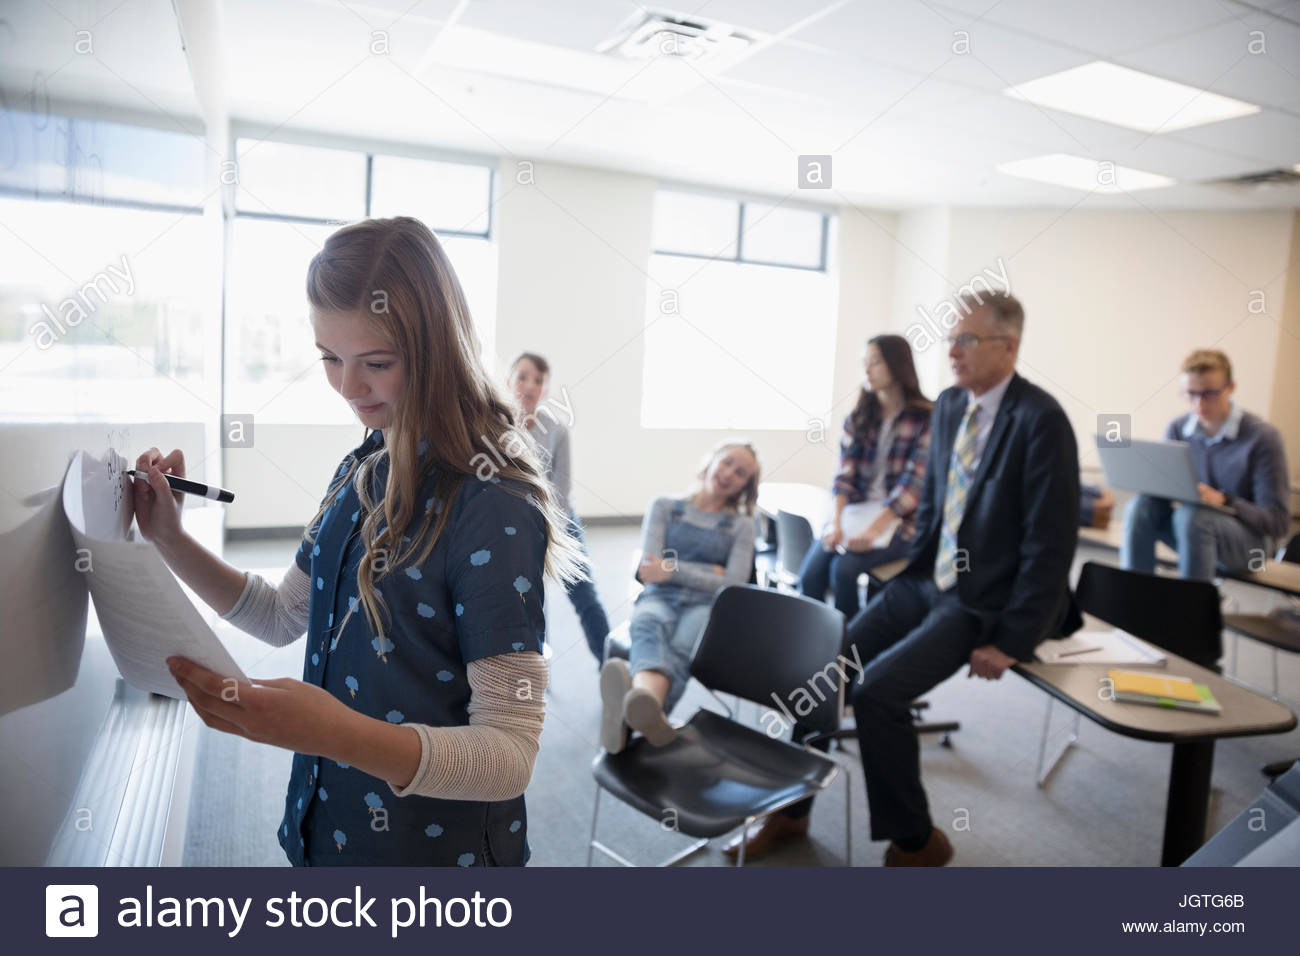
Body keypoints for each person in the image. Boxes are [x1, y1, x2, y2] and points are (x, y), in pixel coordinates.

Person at [133, 217, 584, 866]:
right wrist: (168, 537)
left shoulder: (492, 502)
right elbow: (283, 614)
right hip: (332, 827)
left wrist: (335, 734)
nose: (347, 387)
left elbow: (509, 757)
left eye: (375, 363)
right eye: (329, 359)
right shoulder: (363, 465)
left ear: (439, 349)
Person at [726, 290, 1080, 866]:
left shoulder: (1040, 421)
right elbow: (938, 503)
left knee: (878, 693)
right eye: (951, 340)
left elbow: (1050, 543)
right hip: (926, 580)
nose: (952, 351)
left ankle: (917, 843)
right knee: (825, 671)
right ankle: (791, 812)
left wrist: (1013, 639)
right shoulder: (948, 407)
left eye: (965, 340)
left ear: (1008, 347)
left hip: (979, 604)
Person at [599, 441, 759, 752]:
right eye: (726, 463)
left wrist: (671, 569)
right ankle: (647, 714)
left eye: (740, 473)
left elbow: (734, 583)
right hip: (659, 596)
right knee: (647, 624)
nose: (729, 474)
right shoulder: (665, 506)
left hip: (706, 605)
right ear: (711, 460)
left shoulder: (743, 525)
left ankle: (635, 711)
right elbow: (648, 569)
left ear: (745, 486)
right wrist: (711, 571)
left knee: (684, 646)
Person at [1121, 349, 1290, 581]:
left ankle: (1192, 611)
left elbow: (1278, 522)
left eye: (1209, 393)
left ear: (1230, 387)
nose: (1199, 403)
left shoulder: (1262, 438)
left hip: (1251, 545)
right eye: (1191, 393)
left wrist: (1225, 501)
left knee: (1193, 517)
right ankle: (1132, 600)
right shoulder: (1178, 429)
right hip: (1192, 532)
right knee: (1140, 507)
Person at [800, 334, 932, 618]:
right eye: (865, 363)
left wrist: (875, 528)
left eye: (875, 362)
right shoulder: (859, 417)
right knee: (810, 575)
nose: (867, 370)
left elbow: (914, 485)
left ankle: (850, 652)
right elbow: (844, 476)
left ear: (897, 365)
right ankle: (812, 645)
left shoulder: (926, 418)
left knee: (844, 571)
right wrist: (835, 522)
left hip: (900, 521)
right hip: (853, 514)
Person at [507, 352, 611, 663]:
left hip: (558, 520)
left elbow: (561, 492)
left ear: (546, 391)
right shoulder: (493, 427)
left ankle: (611, 667)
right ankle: (536, 664)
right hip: (512, 525)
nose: (529, 385)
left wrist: (548, 535)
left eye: (539, 381)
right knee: (530, 597)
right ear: (508, 381)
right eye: (523, 376)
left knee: (584, 593)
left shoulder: (557, 430)